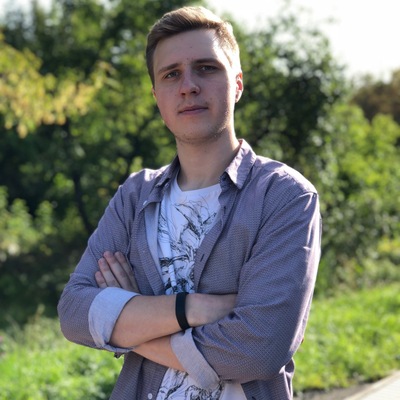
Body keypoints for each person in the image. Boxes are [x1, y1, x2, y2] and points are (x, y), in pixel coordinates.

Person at [58, 6, 321, 400]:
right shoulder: (134, 196)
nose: (188, 86)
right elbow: (74, 313)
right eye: (171, 74)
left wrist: (131, 322)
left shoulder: (283, 196)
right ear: (156, 97)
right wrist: (190, 309)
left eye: (206, 68)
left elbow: (259, 349)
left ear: (237, 84)